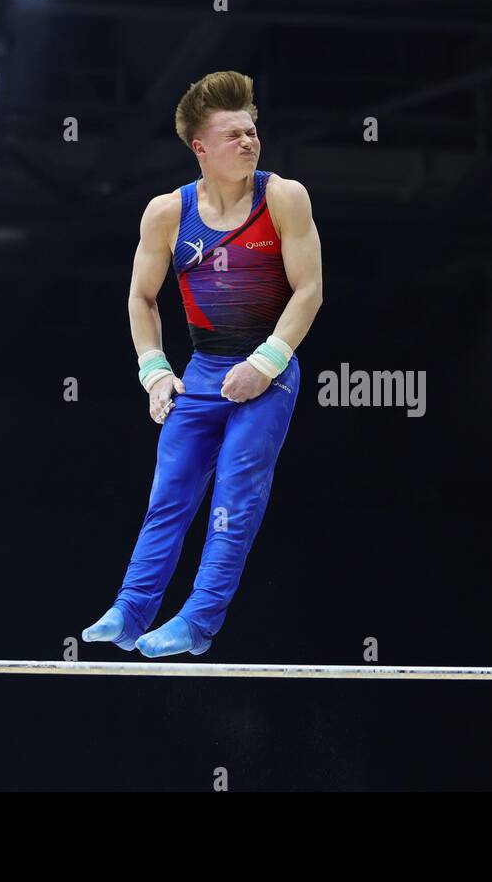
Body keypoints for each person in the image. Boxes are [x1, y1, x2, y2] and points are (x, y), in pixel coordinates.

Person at [82, 70, 322, 657]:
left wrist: (266, 362)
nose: (249, 142)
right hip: (205, 370)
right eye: (234, 134)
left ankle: (198, 620)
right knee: (169, 495)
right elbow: (141, 297)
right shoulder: (167, 213)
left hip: (268, 372)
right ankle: (131, 609)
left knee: (236, 497)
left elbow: (310, 290)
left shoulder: (283, 197)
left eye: (252, 131)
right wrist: (154, 369)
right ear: (201, 149)